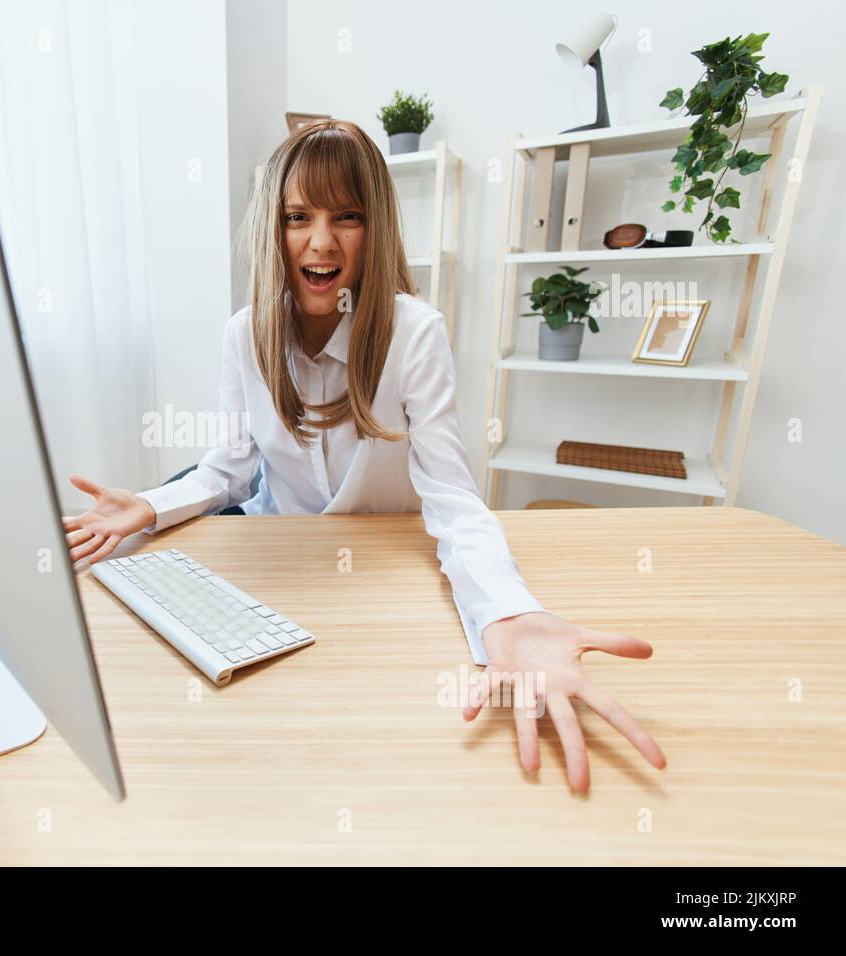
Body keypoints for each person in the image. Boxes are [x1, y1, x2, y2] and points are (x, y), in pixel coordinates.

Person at [63, 119, 665, 792]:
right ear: (274, 228)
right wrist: (150, 503)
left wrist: (508, 612)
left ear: (374, 227)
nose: (320, 241)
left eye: (346, 216)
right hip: (282, 572)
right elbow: (229, 470)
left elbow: (454, 501)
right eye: (298, 217)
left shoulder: (415, 335)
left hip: (386, 575)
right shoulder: (244, 335)